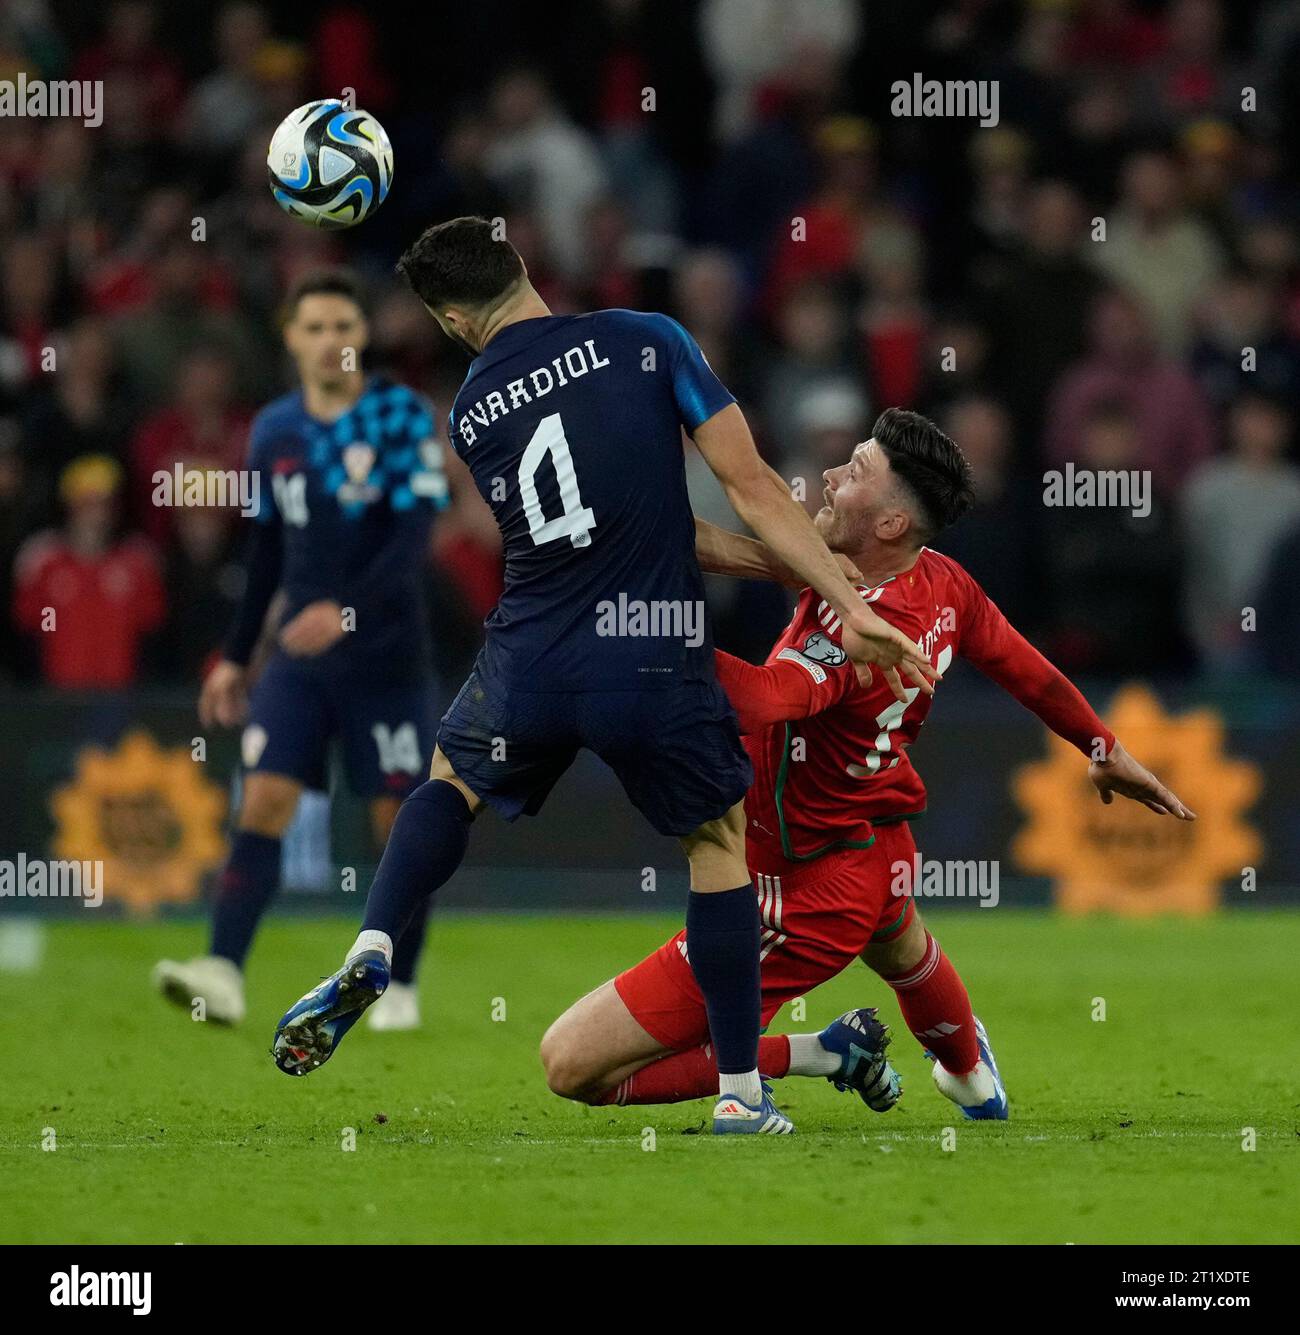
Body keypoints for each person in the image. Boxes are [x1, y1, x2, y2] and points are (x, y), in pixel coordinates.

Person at [271, 216, 935, 1138]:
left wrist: (779, 567)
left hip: (532, 653)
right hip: (650, 649)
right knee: (716, 842)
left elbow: (629, 530)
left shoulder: (472, 411)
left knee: (450, 781)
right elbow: (749, 486)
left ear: (456, 321)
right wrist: (844, 600)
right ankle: (742, 1091)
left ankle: (374, 940)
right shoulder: (645, 339)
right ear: (523, 270)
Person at [539, 409, 1194, 1121]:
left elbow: (768, 698)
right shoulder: (940, 582)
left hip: (801, 887)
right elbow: (1025, 669)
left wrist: (637, 645)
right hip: (873, 836)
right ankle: (973, 1077)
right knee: (905, 949)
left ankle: (820, 1051)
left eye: (853, 473)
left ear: (889, 526)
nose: (826, 477)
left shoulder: (866, 636)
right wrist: (1103, 746)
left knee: (573, 1064)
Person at [153, 269, 449, 1029]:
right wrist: (233, 653)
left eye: (343, 328)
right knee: (265, 799)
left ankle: (401, 983)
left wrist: (344, 613)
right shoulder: (275, 428)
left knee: (397, 820)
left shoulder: (398, 417)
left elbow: (412, 544)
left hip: (385, 660)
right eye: (314, 328)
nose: (330, 343)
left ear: (362, 338)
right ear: (290, 338)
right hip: (298, 662)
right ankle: (221, 970)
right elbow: (268, 555)